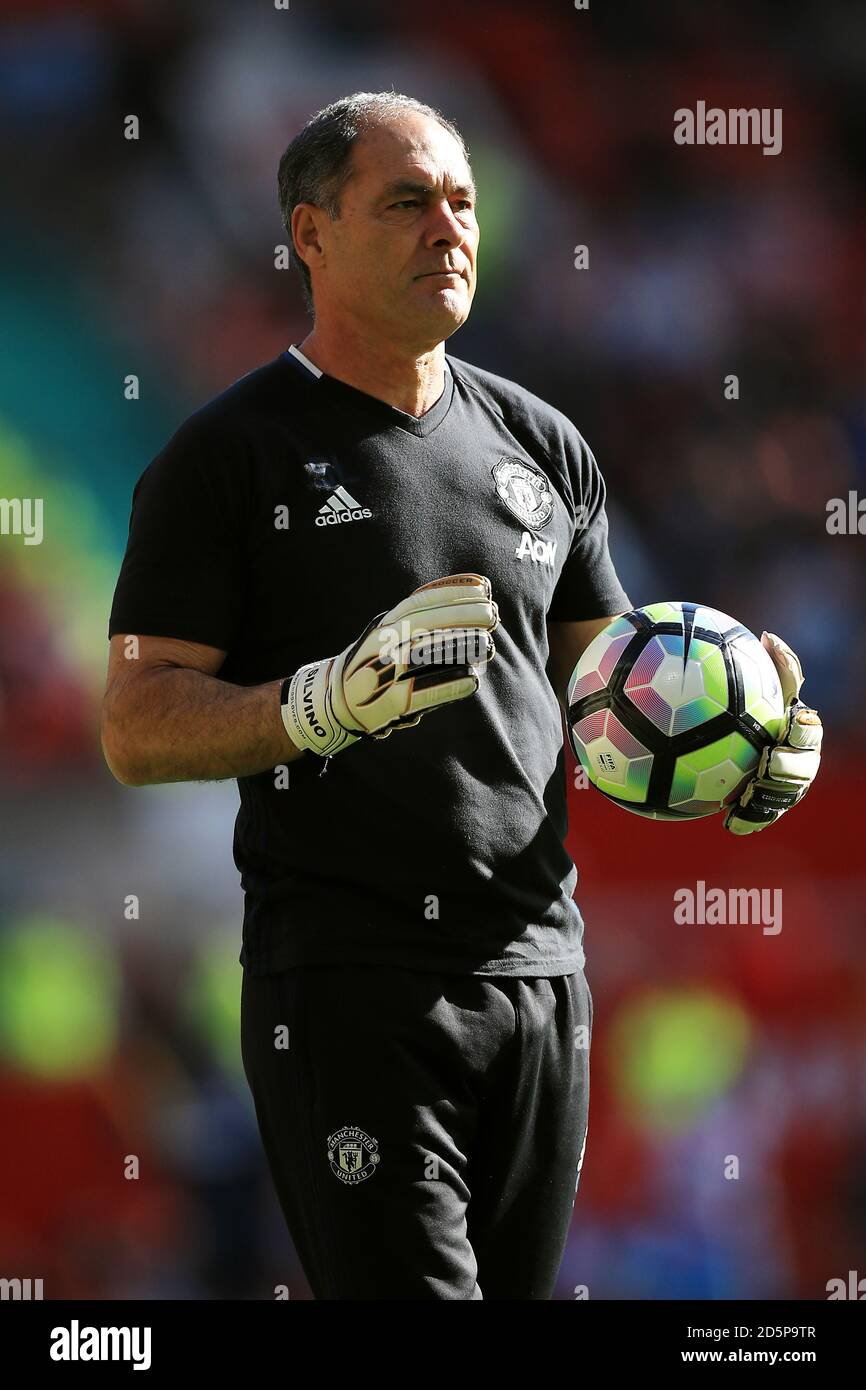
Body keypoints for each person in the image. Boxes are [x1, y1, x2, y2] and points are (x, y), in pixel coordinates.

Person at [102, 91, 821, 1299]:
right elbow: (134, 724)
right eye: (405, 201)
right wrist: (320, 703)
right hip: (346, 981)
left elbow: (609, 706)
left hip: (541, 972)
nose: (448, 227)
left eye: (462, 202)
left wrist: (741, 735)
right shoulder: (225, 458)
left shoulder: (545, 445)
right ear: (310, 235)